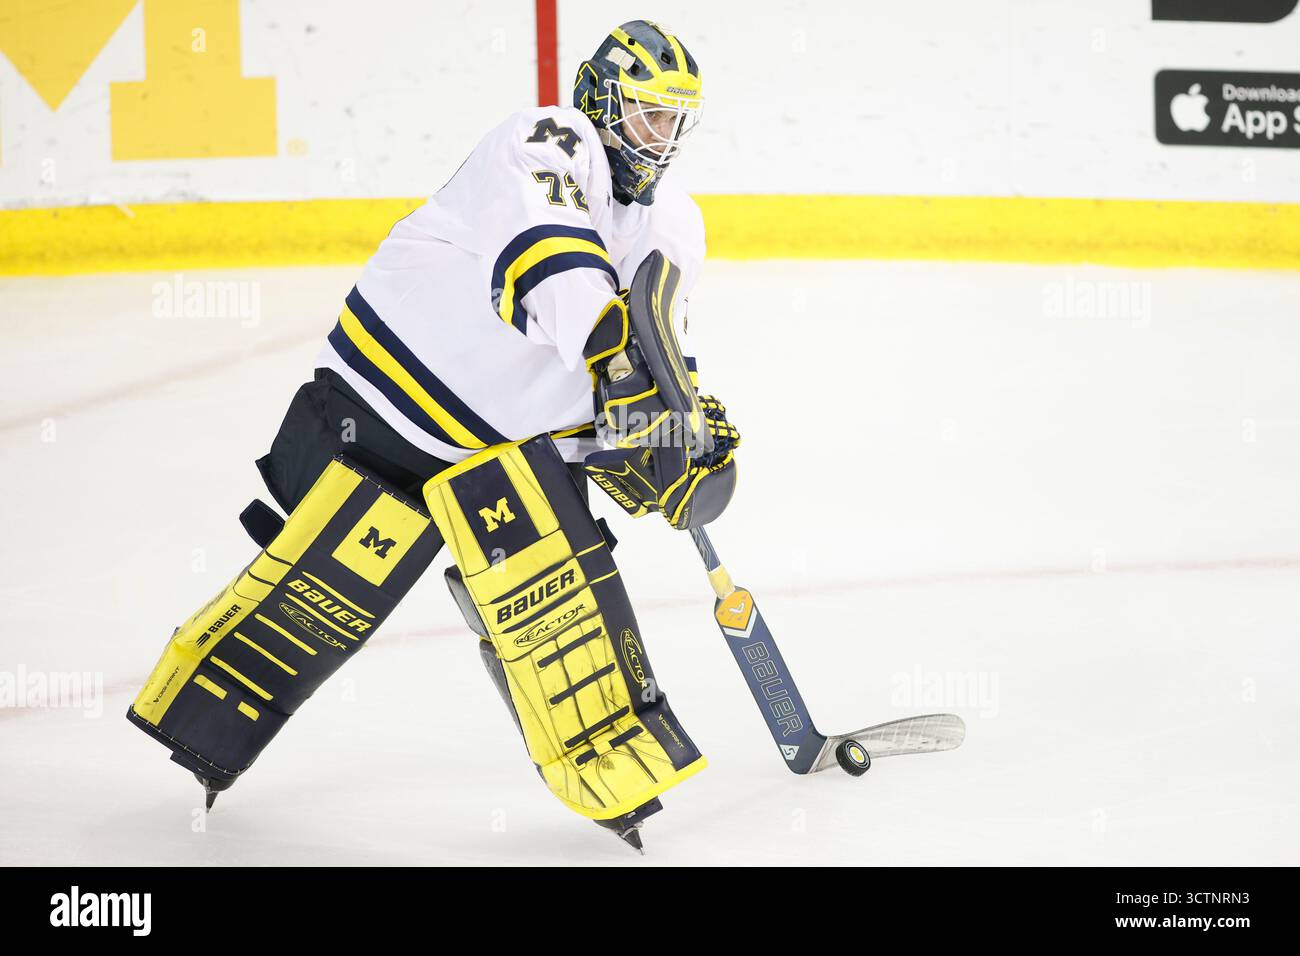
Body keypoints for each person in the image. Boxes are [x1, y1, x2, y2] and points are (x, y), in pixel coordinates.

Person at [128, 20, 740, 853]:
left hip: (514, 447)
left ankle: (618, 778)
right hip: (391, 397)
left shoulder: (676, 225)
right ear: (601, 97)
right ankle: (202, 728)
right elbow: (558, 273)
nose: (660, 140)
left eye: (675, 122)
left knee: (561, 604)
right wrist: (628, 371)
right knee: (317, 592)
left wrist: (671, 442)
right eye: (646, 115)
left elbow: (655, 354)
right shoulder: (545, 140)